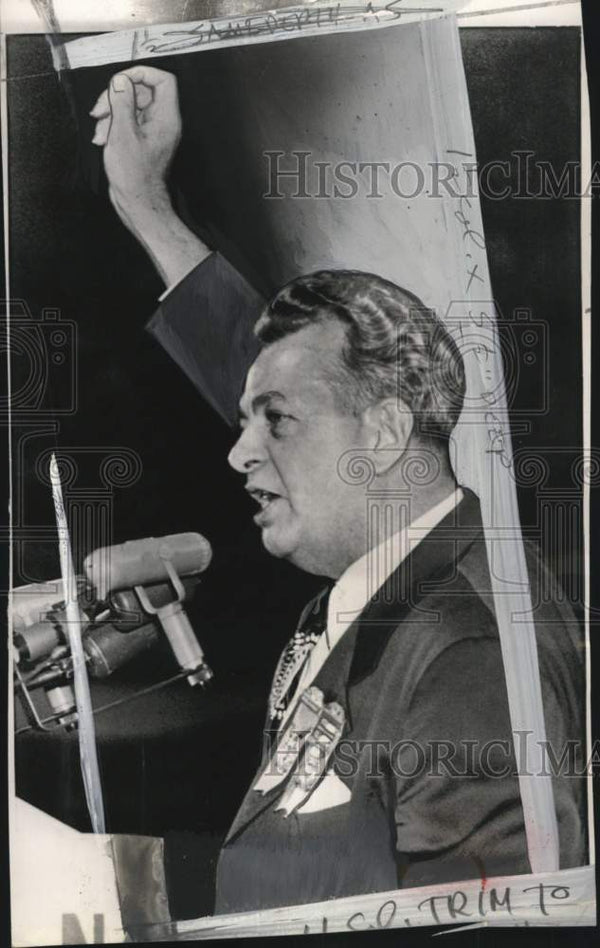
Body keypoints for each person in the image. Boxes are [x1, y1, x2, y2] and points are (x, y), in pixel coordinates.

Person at [90, 68, 585, 914]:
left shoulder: (468, 655)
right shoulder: (387, 574)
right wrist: (144, 203)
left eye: (273, 422)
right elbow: (320, 879)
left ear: (386, 434)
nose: (238, 452)